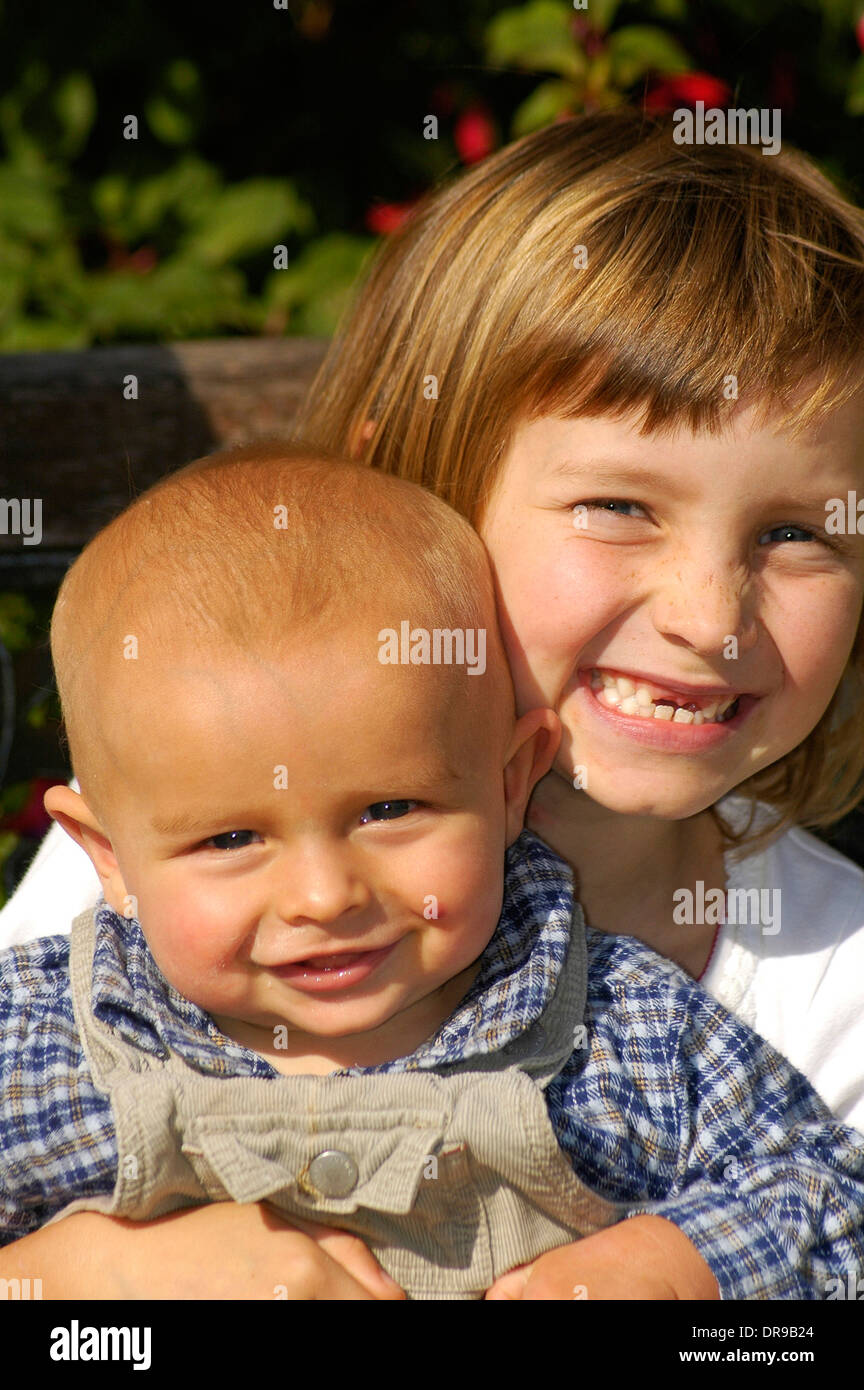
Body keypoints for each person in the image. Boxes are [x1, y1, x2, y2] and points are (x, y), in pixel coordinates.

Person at [2, 443, 863, 1302]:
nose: (324, 896)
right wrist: (70, 1276)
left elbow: (822, 1192)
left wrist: (675, 1270)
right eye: (231, 840)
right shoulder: (48, 1045)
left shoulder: (615, 1028)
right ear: (107, 857)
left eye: (389, 812)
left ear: (510, 781)